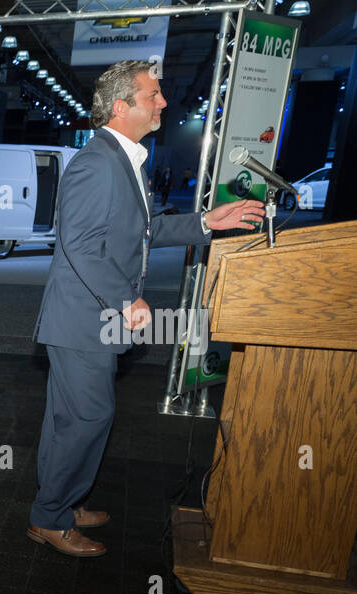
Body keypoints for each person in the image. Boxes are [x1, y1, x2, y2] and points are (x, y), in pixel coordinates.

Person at [27, 59, 265, 557]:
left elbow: (146, 231)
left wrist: (206, 221)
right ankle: (51, 517)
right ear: (121, 106)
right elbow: (80, 246)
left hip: (97, 318)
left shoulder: (123, 159)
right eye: (152, 95)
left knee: (73, 420)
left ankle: (61, 505)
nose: (162, 102)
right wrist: (126, 299)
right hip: (82, 320)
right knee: (87, 418)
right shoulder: (97, 164)